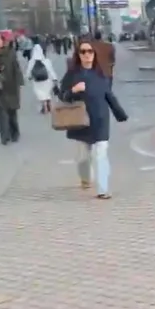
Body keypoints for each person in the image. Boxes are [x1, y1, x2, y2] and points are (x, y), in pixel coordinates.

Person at [58, 38, 127, 199]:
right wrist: (73, 90)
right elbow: (62, 96)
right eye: (83, 52)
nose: (87, 54)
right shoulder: (72, 75)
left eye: (90, 51)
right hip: (80, 121)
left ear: (95, 54)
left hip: (100, 119)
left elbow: (109, 95)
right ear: (78, 55)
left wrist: (120, 114)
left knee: (101, 154)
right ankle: (85, 178)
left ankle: (103, 189)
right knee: (83, 157)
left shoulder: (102, 74)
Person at [0, 33, 24, 144]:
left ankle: (14, 133)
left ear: (3, 41)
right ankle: (4, 136)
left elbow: (16, 68)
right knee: (1, 112)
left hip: (11, 87)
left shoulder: (10, 53)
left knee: (12, 112)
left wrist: (19, 81)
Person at [26, 43, 57, 114]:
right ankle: (50, 106)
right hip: (47, 80)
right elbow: (51, 71)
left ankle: (44, 106)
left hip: (37, 81)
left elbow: (28, 72)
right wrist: (54, 78)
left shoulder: (31, 62)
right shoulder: (46, 61)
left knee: (40, 93)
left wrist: (28, 77)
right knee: (47, 93)